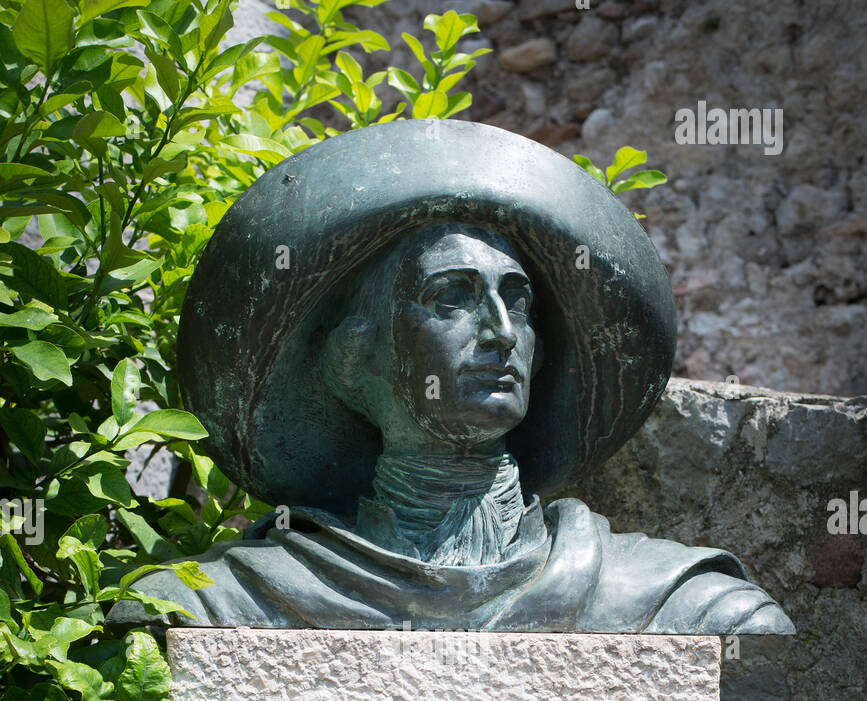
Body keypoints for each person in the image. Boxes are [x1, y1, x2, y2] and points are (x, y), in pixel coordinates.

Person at [119, 121, 792, 636]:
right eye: (451, 297)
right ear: (353, 361)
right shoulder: (222, 603)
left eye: (518, 300)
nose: (501, 331)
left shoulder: (673, 602)